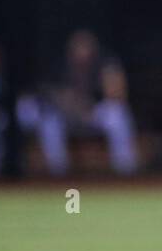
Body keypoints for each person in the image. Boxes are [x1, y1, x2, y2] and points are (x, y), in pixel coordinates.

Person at [19, 30, 138, 175]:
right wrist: (69, 103)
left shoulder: (102, 64)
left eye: (86, 48)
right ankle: (58, 173)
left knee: (117, 114)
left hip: (92, 113)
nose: (82, 53)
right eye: (78, 48)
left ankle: (125, 170)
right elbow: (48, 94)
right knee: (49, 122)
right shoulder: (60, 67)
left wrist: (88, 104)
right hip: (66, 116)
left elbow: (118, 95)